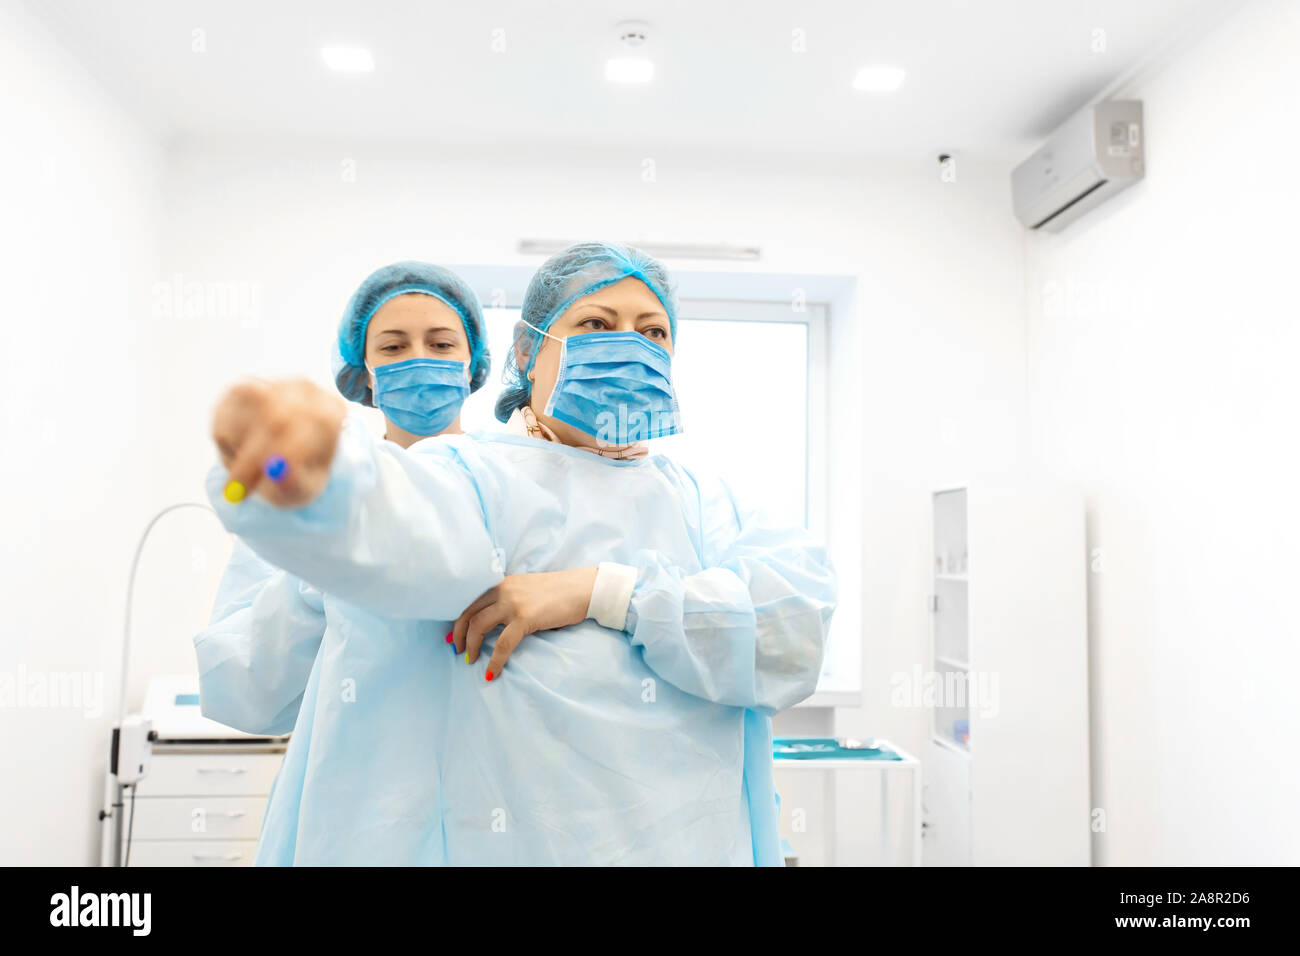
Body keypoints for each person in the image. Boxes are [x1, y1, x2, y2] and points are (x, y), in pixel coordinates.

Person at [208, 242, 837, 865]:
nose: (629, 346)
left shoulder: (706, 500)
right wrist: (320, 481)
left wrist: (605, 593)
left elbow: (788, 629)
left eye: (653, 332)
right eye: (594, 324)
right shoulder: (473, 471)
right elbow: (417, 535)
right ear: (527, 352)